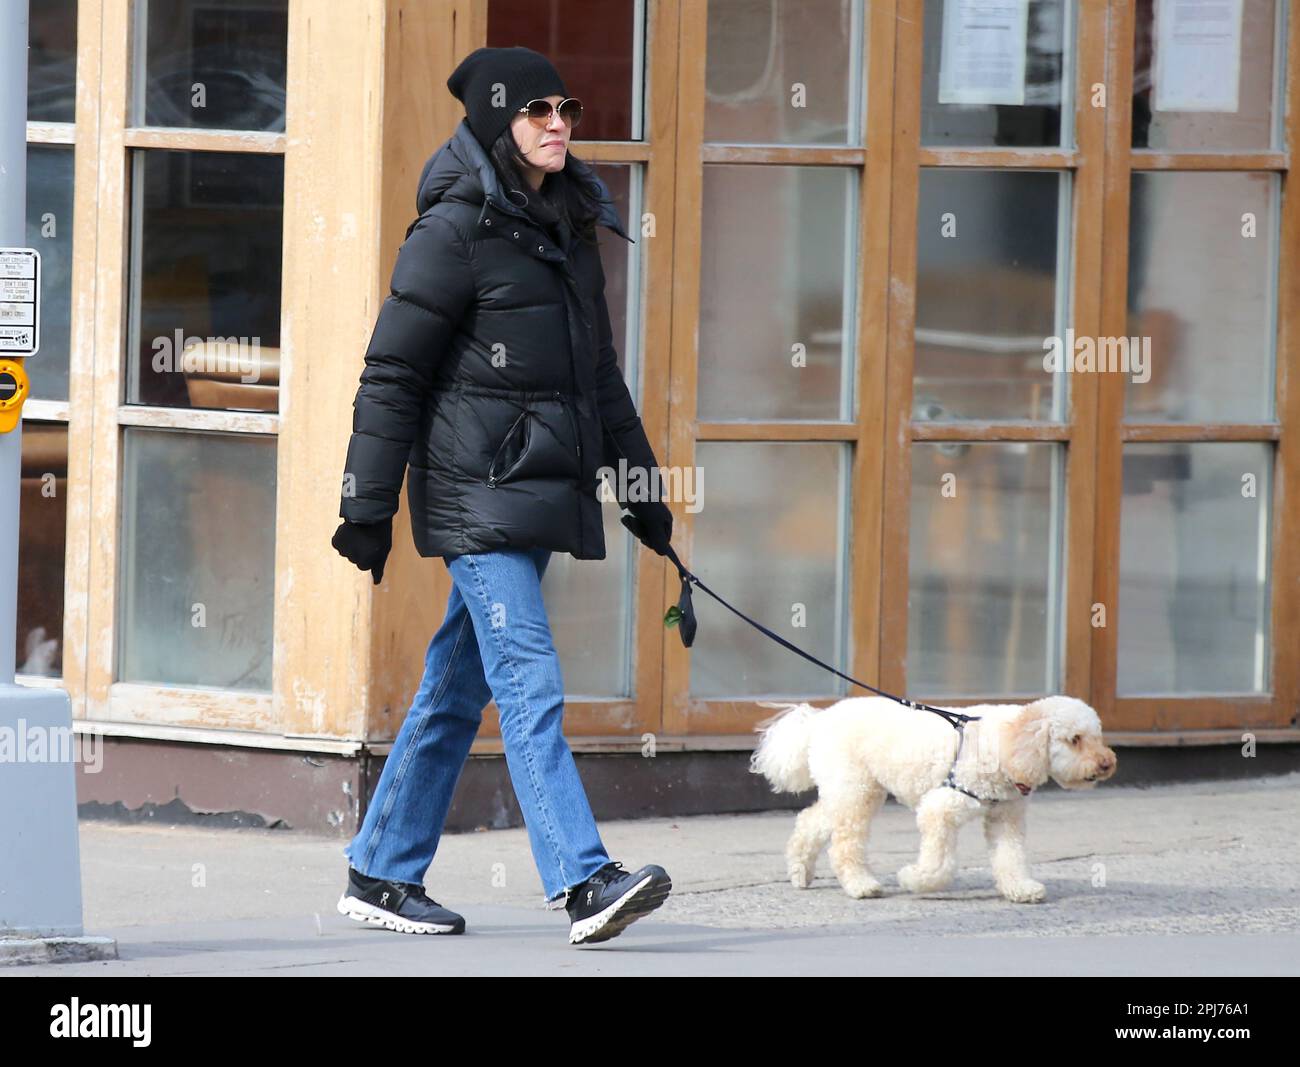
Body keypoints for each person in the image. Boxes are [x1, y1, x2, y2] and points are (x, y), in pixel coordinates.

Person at [329, 46, 674, 946]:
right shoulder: (453, 230)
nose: (557, 122)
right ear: (495, 122)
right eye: (536, 111)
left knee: (456, 681)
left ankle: (381, 868)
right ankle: (583, 878)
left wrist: (640, 487)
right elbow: (392, 371)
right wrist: (365, 505)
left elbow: (597, 375)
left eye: (564, 106)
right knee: (528, 675)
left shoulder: (564, 225)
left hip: (532, 496)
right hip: (474, 493)